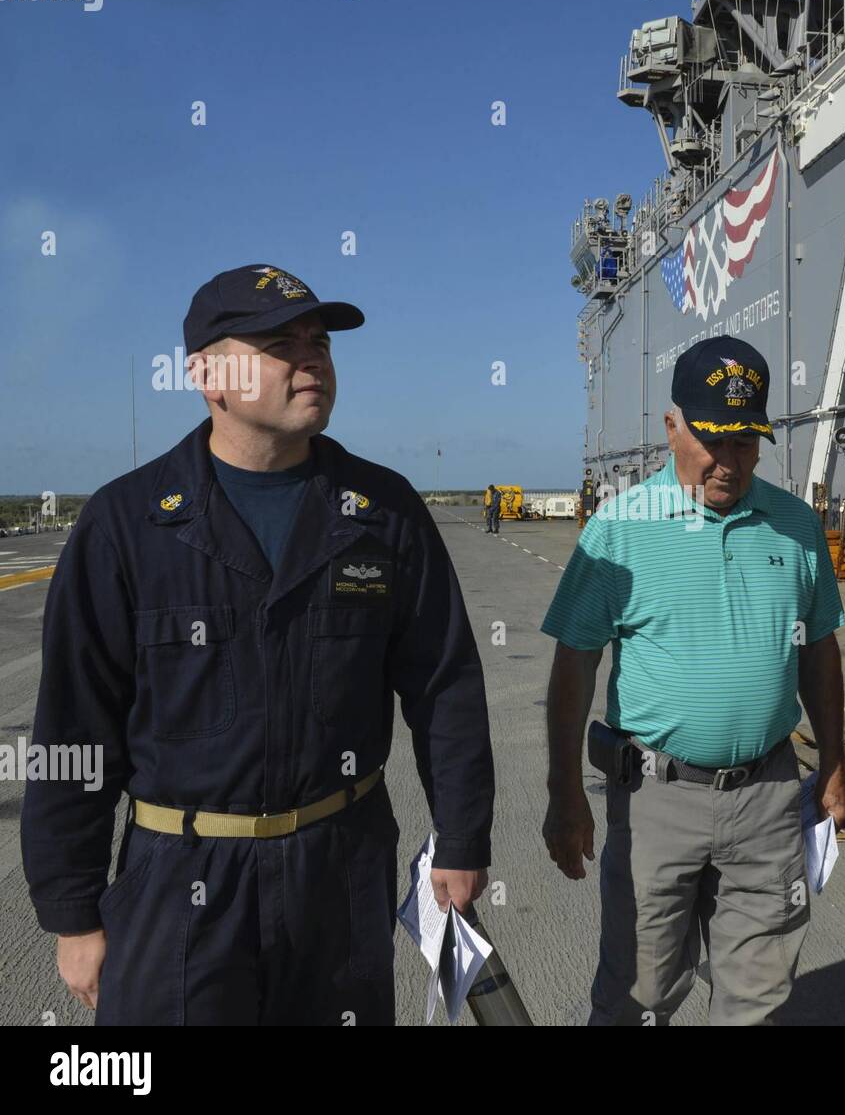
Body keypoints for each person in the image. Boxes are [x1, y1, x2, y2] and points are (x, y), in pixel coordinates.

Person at [21, 263, 495, 1025]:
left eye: (320, 341)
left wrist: (464, 836)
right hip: (180, 882)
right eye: (283, 343)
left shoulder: (382, 512)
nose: (313, 358)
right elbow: (75, 728)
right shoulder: (127, 525)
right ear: (207, 372)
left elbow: (445, 686)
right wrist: (73, 909)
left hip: (337, 871)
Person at [541, 335, 845, 1025]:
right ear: (672, 425)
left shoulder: (795, 526)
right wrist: (565, 791)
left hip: (769, 796)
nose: (728, 461)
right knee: (638, 995)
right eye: (712, 439)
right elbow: (575, 665)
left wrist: (832, 760)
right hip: (656, 799)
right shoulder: (619, 529)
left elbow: (819, 650)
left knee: (758, 999)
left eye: (746, 443)